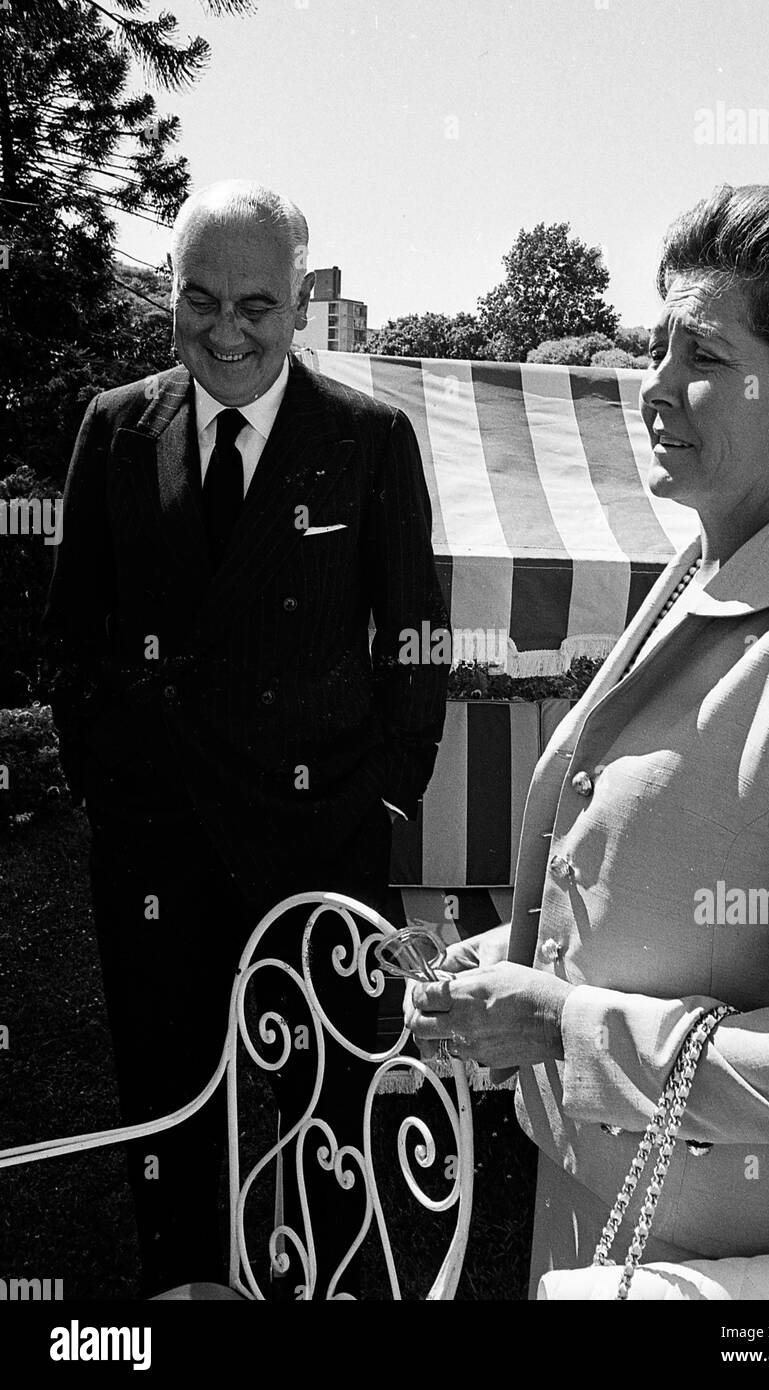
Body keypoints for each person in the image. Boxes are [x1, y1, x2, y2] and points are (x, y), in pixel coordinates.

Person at [408, 181, 769, 1295]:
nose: (655, 387)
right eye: (656, 344)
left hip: (732, 1275)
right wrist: (503, 974)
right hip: (592, 1220)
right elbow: (658, 898)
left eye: (704, 355)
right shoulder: (696, 576)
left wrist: (568, 1027)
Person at [44, 180, 450, 1297]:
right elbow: (72, 632)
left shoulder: (369, 439)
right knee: (169, 1110)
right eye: (200, 300)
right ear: (171, 296)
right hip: (157, 848)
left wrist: (383, 794)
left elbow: (414, 635)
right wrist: (109, 777)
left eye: (257, 306)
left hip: (315, 845)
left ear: (303, 307)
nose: (227, 331)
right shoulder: (114, 427)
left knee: (327, 1104)